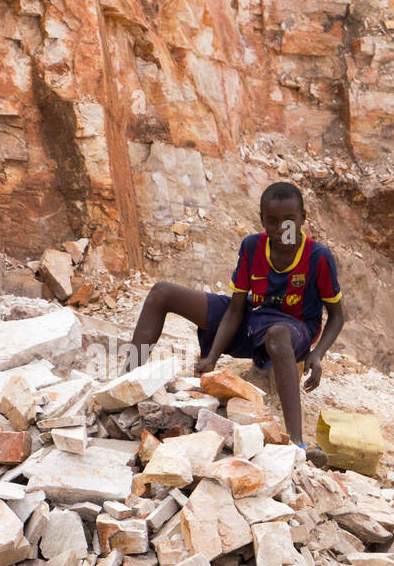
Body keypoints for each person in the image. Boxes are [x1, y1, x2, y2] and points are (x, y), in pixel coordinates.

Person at [128, 180, 345, 463]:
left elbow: (338, 315)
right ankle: (127, 381)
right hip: (250, 321)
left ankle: (296, 443)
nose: (281, 228)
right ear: (262, 220)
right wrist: (212, 358)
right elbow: (235, 309)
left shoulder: (317, 257)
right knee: (162, 293)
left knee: (278, 334)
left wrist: (317, 355)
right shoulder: (253, 247)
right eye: (272, 221)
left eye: (289, 221)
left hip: (293, 331)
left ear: (303, 219)